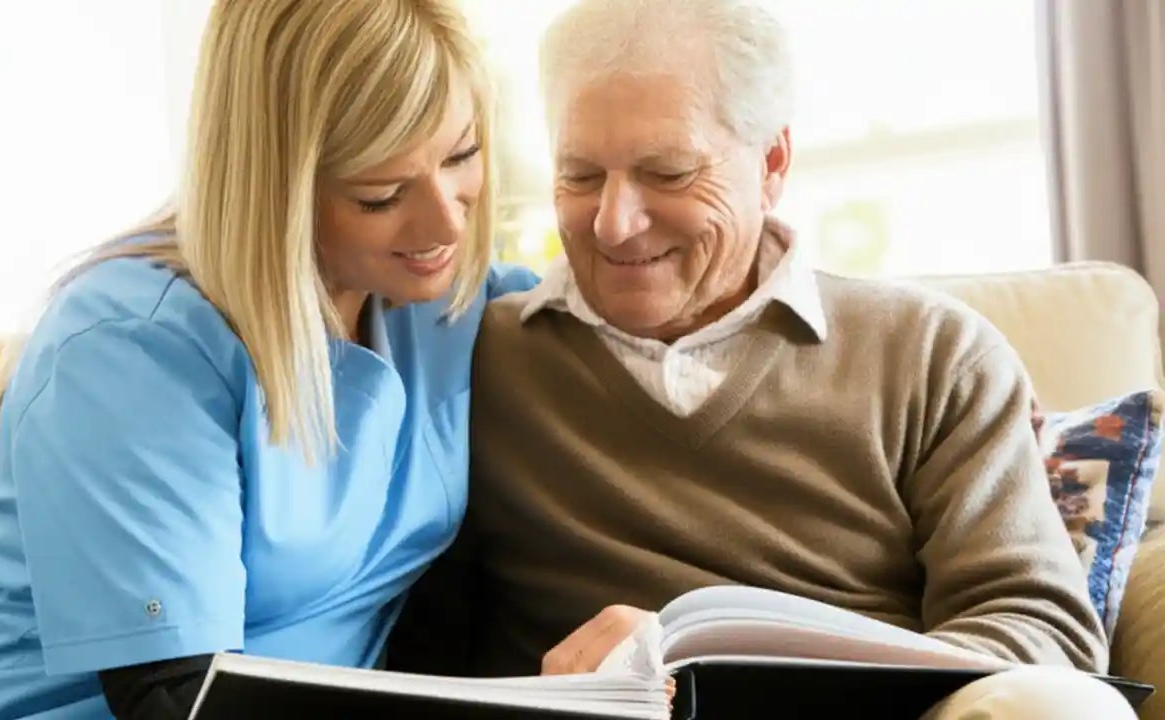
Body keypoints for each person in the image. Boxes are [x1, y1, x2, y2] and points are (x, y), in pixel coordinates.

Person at [387, 0, 1137, 717]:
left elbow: (1047, 637)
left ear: (772, 162)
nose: (613, 224)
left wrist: (758, 675)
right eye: (580, 175)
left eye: (667, 172)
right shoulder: (476, 352)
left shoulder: (934, 355)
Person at [0, 1, 536, 718]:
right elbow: (171, 698)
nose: (446, 221)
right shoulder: (131, 346)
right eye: (381, 195)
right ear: (275, 183)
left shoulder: (446, 304)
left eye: (461, 155)